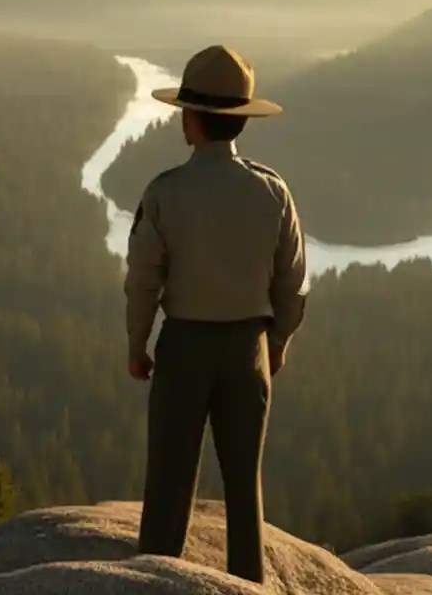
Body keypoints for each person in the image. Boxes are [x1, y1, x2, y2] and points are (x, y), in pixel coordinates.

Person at [125, 44, 308, 584]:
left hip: (182, 349)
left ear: (193, 120)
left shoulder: (165, 193)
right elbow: (292, 284)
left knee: (169, 484)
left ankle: (155, 582)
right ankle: (249, 584)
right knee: (244, 487)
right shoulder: (272, 191)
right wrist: (277, 343)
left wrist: (137, 345)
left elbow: (143, 282)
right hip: (248, 350)